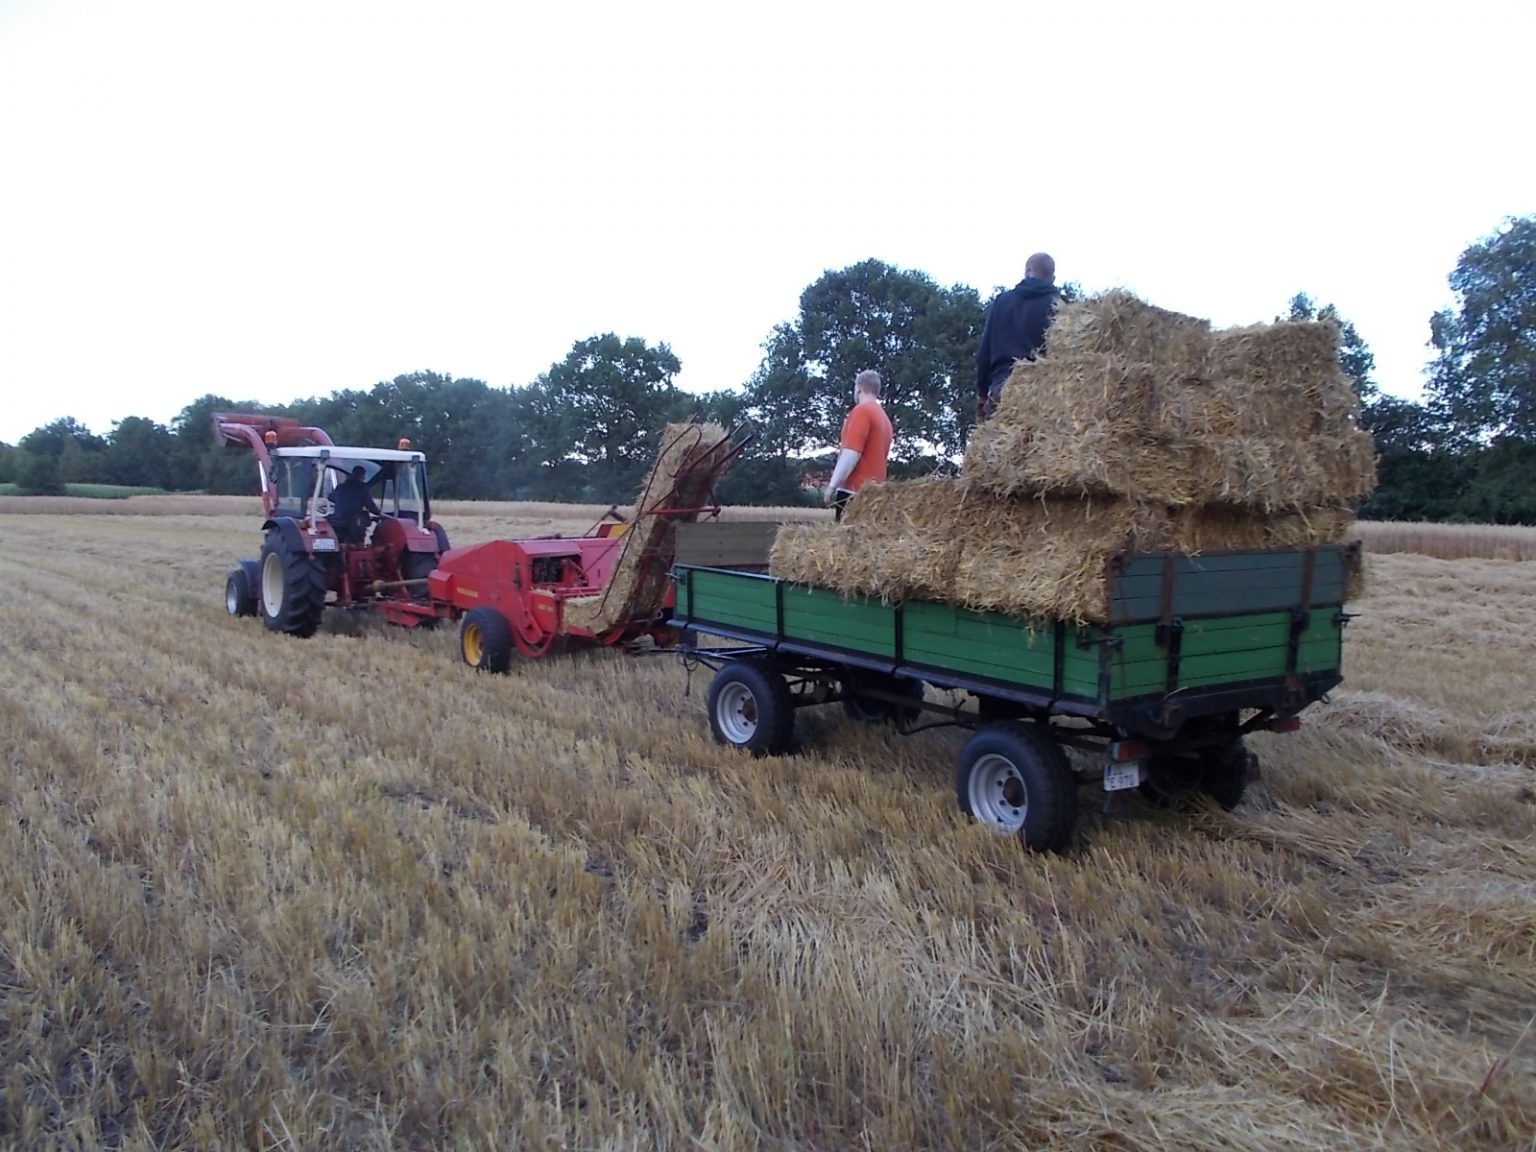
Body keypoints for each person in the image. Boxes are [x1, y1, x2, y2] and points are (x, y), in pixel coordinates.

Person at [974, 252, 1059, 421]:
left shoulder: (1003, 301)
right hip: (1043, 393)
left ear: (1027, 271)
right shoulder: (1059, 305)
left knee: (999, 444)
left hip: (1003, 387)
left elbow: (984, 353)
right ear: (1052, 278)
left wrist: (983, 393)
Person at [824, 369, 893, 521]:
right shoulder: (885, 419)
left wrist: (832, 486)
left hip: (853, 494)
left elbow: (851, 453)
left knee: (844, 542)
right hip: (876, 496)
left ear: (859, 388)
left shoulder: (861, 412)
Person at [329, 464, 381, 543]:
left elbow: (331, 498)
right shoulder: (362, 489)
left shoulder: (339, 487)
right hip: (352, 521)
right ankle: (356, 543)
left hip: (337, 519)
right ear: (362, 476)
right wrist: (380, 514)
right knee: (360, 520)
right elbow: (370, 506)